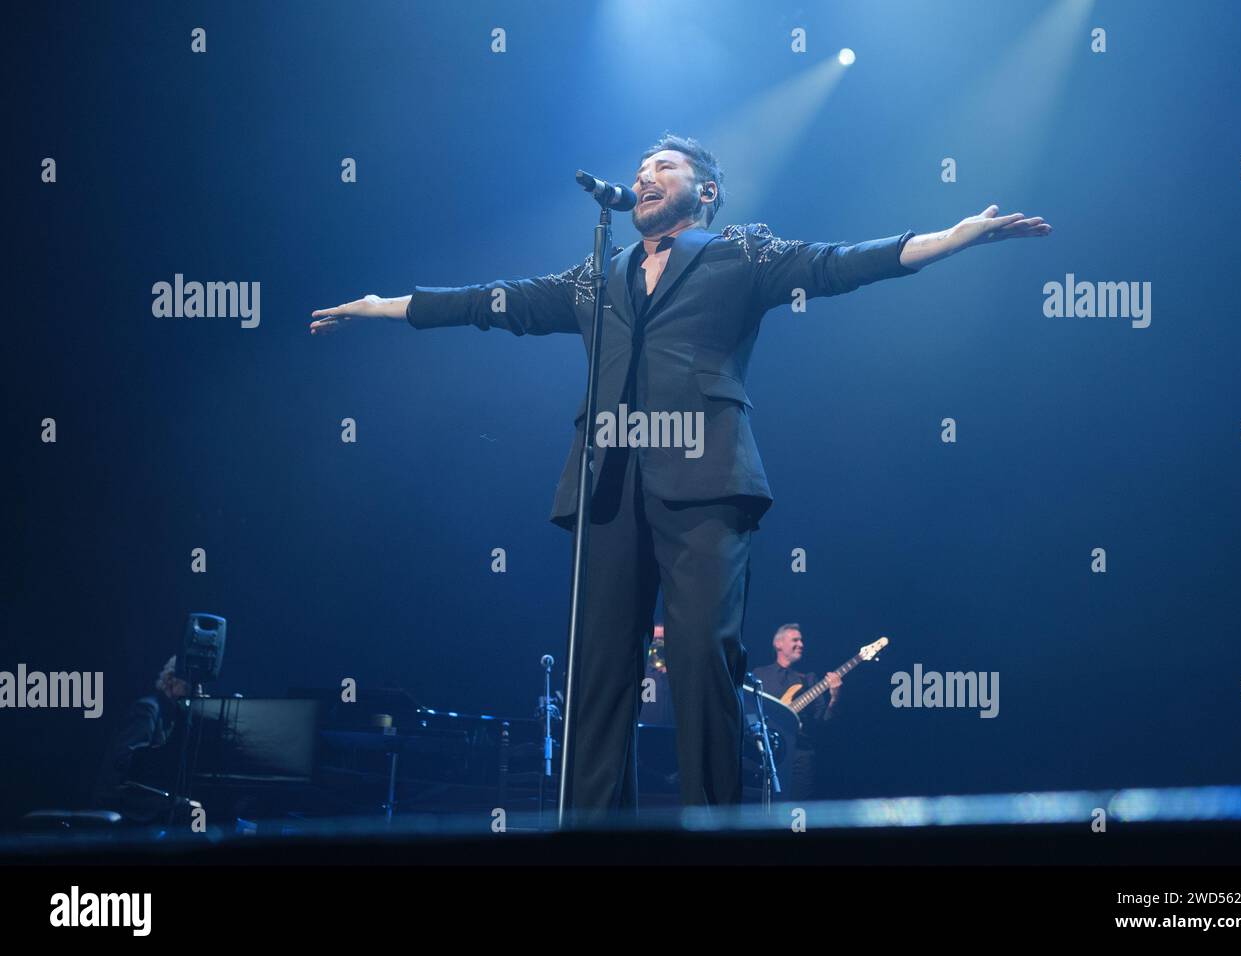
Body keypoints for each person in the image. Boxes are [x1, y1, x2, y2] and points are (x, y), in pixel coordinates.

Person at [309, 133, 1050, 814]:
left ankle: (714, 831)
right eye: (640, 169)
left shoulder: (740, 255)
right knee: (599, 673)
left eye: (664, 166)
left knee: (701, 661)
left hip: (708, 480)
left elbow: (836, 265)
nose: (645, 176)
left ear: (707, 191)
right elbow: (493, 303)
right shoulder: (598, 276)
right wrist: (384, 306)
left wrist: (950, 239)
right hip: (606, 484)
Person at [92, 656, 190, 819]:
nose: (196, 689)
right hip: (120, 799)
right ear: (171, 679)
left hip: (142, 796)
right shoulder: (147, 708)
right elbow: (125, 759)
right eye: (189, 683)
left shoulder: (174, 715)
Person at [751, 623, 840, 800]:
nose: (801, 644)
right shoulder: (759, 674)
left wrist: (835, 697)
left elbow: (824, 721)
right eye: (795, 640)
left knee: (798, 808)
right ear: (778, 644)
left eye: (802, 640)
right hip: (767, 753)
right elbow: (748, 709)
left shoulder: (809, 679)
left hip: (800, 755)